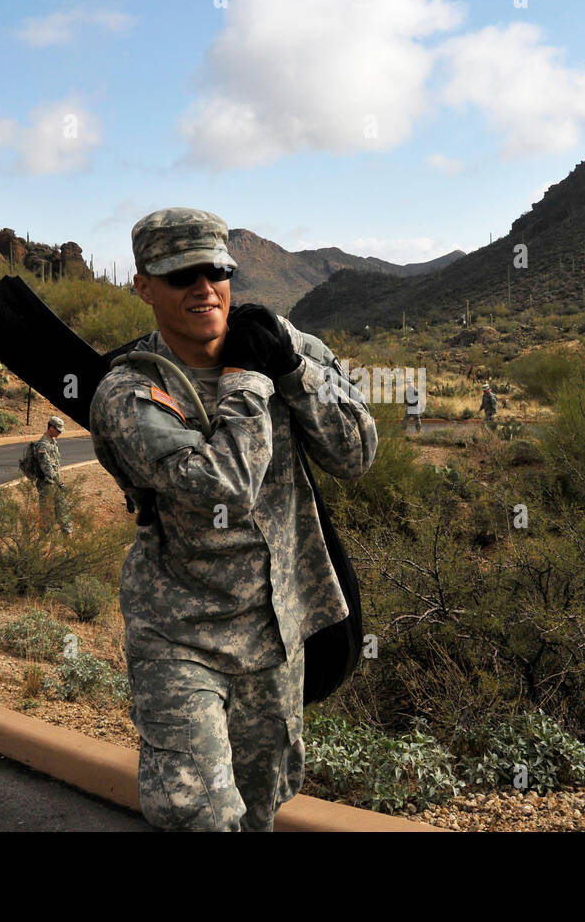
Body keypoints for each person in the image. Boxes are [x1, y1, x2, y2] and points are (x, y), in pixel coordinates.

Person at [89, 207, 377, 832]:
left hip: (275, 634)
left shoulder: (284, 345)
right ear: (144, 286)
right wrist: (249, 380)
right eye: (181, 275)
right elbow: (221, 487)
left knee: (259, 809)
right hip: (181, 637)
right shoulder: (130, 391)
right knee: (200, 814)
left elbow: (356, 454)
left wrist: (296, 372)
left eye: (216, 271)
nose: (203, 287)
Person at [34, 416, 72, 535]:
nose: (60, 433)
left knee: (63, 511)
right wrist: (59, 482)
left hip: (55, 484)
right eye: (58, 430)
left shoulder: (53, 442)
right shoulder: (43, 445)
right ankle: (44, 545)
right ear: (51, 428)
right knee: (46, 515)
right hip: (47, 485)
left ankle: (69, 542)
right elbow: (47, 468)